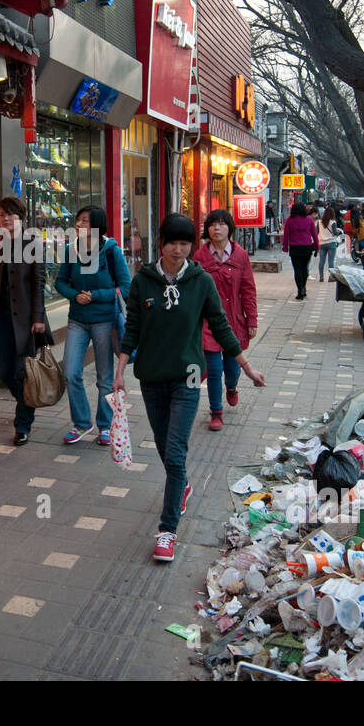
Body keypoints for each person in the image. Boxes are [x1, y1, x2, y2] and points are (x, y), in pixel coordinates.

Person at [113, 214, 266, 563]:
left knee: (177, 452)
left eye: (185, 243)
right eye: (172, 242)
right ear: (161, 242)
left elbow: (222, 327)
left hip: (188, 377)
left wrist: (247, 367)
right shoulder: (143, 282)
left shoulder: (200, 281)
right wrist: (120, 370)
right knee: (167, 450)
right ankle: (181, 485)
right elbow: (132, 329)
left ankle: (167, 531)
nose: (178, 249)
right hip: (151, 378)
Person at [55, 206, 131, 445]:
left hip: (104, 320)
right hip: (77, 319)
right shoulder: (71, 250)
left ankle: (105, 426)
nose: (79, 225)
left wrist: (96, 295)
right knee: (70, 372)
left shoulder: (111, 251)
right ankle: (82, 423)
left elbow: (125, 286)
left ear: (97, 225)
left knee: (104, 377)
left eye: (85, 221)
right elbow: (60, 283)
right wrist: (74, 295)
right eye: (78, 221)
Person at [0, 196, 48, 444]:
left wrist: (38, 318)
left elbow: (38, 283)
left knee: (22, 372)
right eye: (2, 214)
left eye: (11, 214)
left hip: (25, 320)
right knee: (3, 370)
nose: (6, 218)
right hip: (0, 318)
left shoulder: (33, 243)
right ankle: (27, 400)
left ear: (21, 217)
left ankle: (23, 424)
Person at [194, 209, 258, 432]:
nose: (217, 228)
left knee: (232, 369)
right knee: (213, 370)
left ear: (230, 228)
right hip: (208, 325)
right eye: (212, 224)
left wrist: (252, 321)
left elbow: (248, 289)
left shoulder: (240, 256)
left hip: (233, 322)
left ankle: (231, 388)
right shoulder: (199, 257)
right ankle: (216, 412)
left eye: (221, 224)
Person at [281, 201, 319, 299]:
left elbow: (286, 235)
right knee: (304, 268)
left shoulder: (289, 220)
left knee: (297, 269)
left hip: (295, 248)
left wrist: (285, 247)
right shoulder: (309, 220)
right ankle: (303, 287)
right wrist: (316, 246)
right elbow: (314, 235)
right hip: (307, 247)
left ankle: (300, 290)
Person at [316, 207, 342, 282]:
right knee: (331, 261)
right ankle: (331, 277)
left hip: (321, 243)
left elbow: (317, 232)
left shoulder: (319, 222)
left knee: (321, 261)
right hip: (331, 243)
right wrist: (339, 232)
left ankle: (321, 277)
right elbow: (335, 233)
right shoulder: (333, 222)